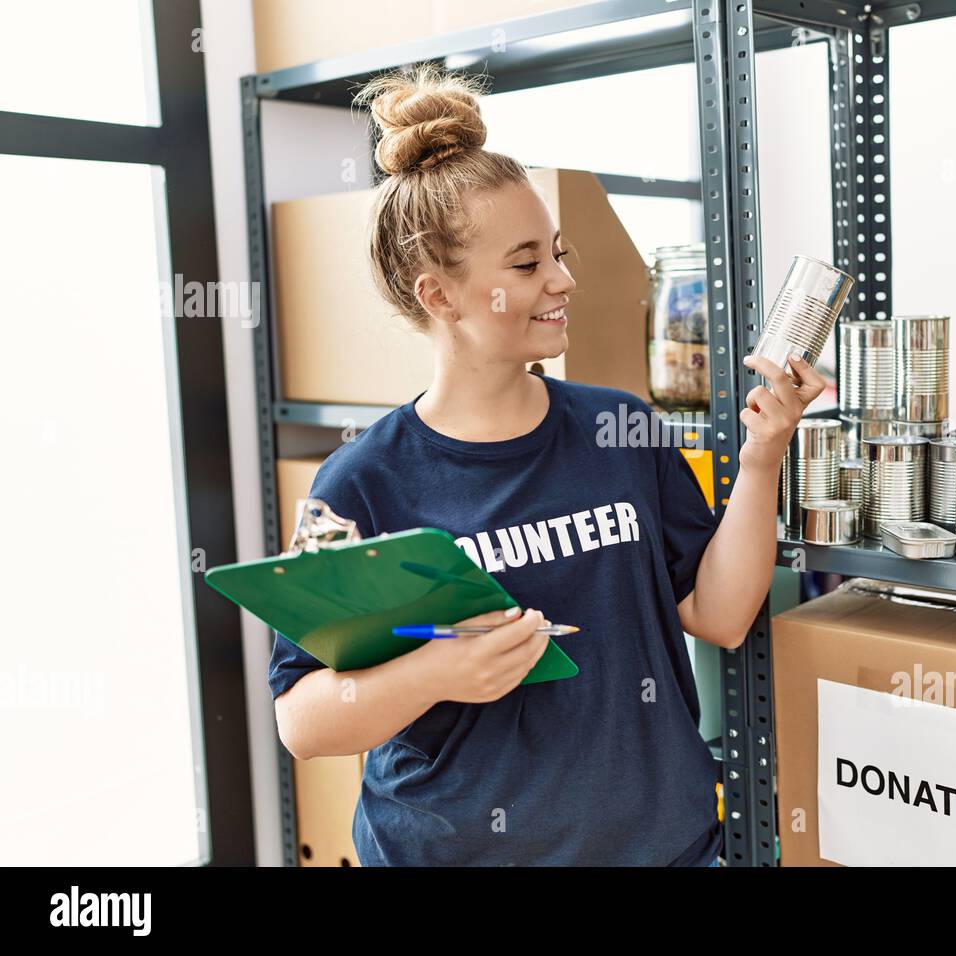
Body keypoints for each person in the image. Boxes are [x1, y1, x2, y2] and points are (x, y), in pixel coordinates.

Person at [268, 64, 826, 866]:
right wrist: (437, 668)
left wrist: (765, 453)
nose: (564, 280)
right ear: (440, 295)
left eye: (557, 253)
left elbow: (719, 613)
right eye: (527, 265)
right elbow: (305, 722)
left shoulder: (620, 426)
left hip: (663, 849)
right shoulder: (363, 481)